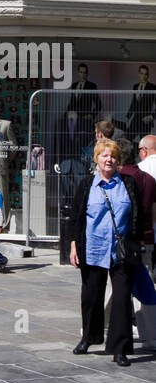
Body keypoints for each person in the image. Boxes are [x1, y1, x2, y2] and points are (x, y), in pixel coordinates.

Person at [69, 139, 145, 366]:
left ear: (118, 160)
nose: (109, 159)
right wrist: (74, 246)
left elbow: (138, 215)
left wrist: (136, 242)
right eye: (104, 155)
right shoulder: (86, 185)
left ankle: (119, 348)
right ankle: (88, 338)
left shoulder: (128, 183)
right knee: (91, 297)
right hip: (93, 247)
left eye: (112, 155)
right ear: (97, 159)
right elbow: (76, 218)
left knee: (122, 299)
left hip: (121, 250)